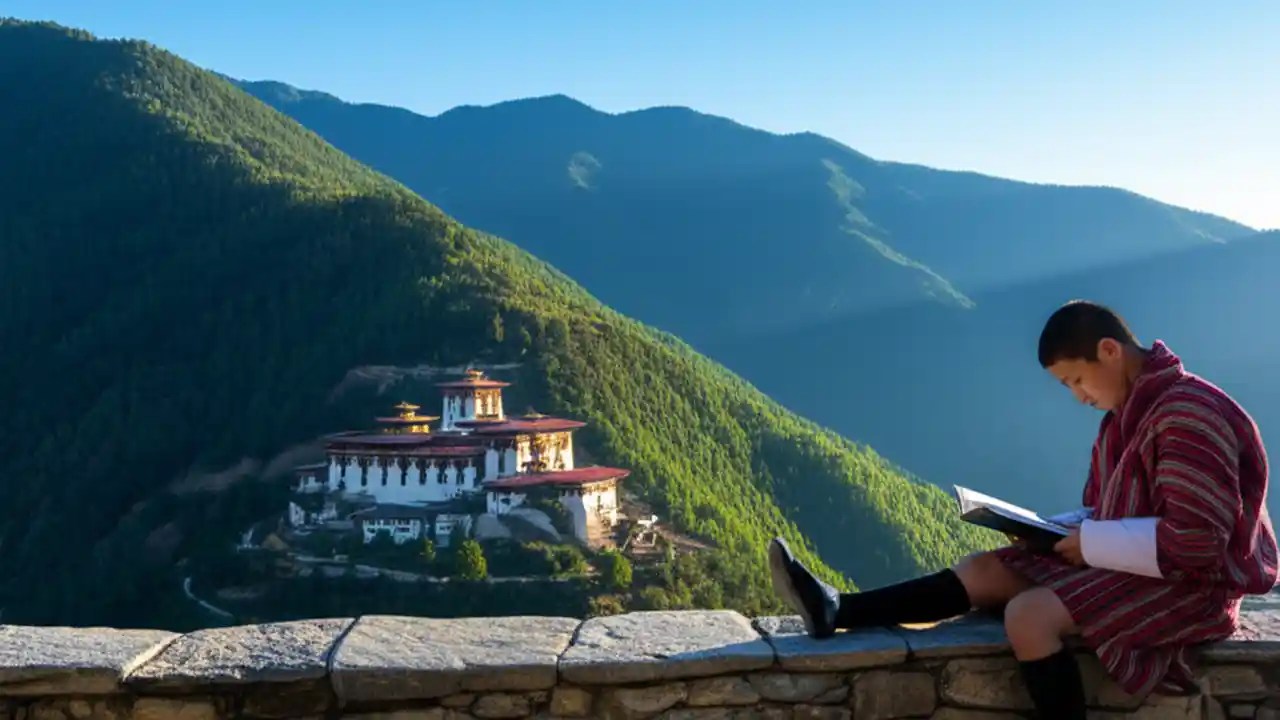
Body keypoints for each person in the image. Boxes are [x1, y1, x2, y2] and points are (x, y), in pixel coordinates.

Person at [769, 300, 1278, 720]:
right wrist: (1050, 531)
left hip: (1193, 587)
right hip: (1141, 561)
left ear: (1109, 351)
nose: (1079, 397)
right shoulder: (1128, 416)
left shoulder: (1188, 415)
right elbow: (1108, 509)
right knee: (986, 569)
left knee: (1029, 616)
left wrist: (1091, 543)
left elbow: (1200, 541)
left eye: (1076, 381)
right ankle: (838, 608)